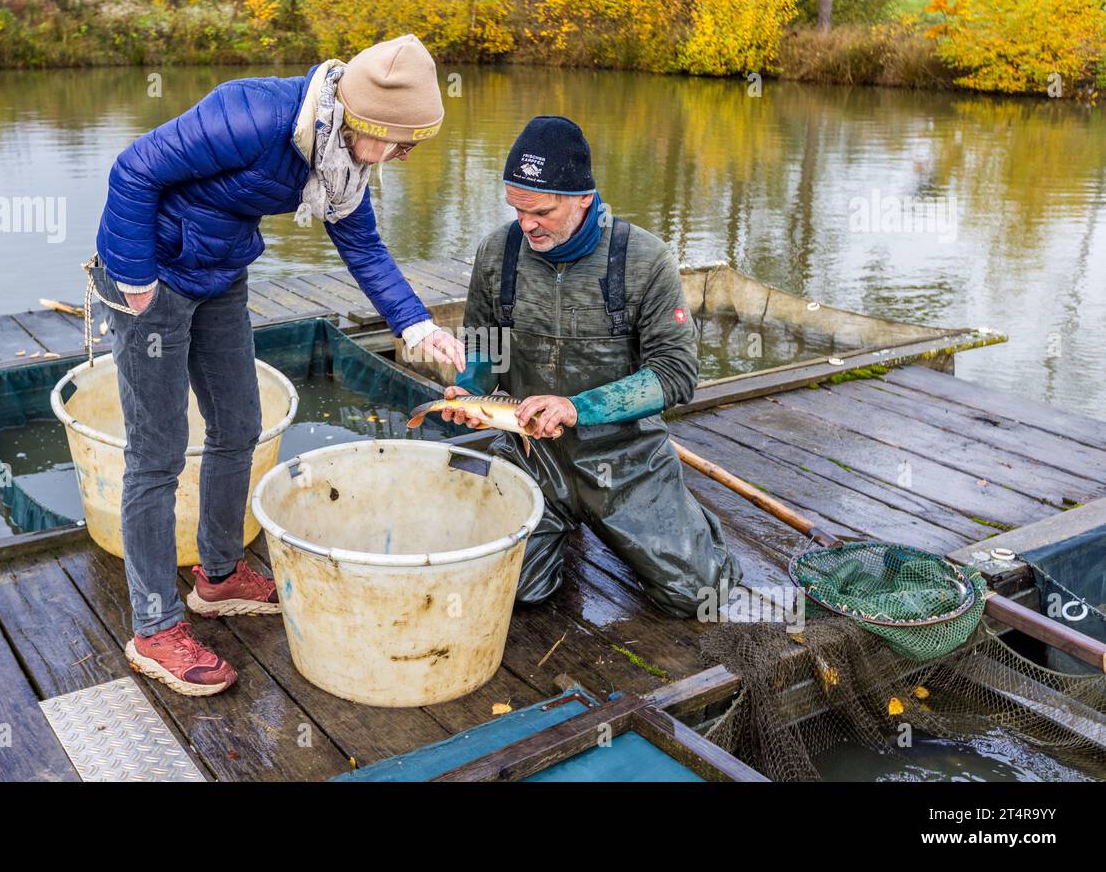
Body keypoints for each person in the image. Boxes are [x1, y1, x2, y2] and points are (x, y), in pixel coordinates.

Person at [90, 34, 465, 696]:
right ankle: (152, 628)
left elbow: (366, 248)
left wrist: (418, 325)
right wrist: (132, 275)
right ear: (366, 122)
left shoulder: (340, 160)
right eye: (403, 140)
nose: (407, 154)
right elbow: (134, 168)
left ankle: (219, 575)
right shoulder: (253, 115)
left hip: (219, 272)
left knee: (239, 423)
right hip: (149, 278)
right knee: (157, 451)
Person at [444, 115, 741, 617]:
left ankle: (688, 526)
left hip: (624, 457)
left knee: (697, 597)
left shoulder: (645, 258)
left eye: (541, 211)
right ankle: (558, 527)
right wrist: (468, 393)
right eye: (516, 209)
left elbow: (677, 374)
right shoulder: (497, 252)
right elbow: (484, 348)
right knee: (511, 592)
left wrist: (576, 407)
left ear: (584, 198)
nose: (526, 224)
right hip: (530, 451)